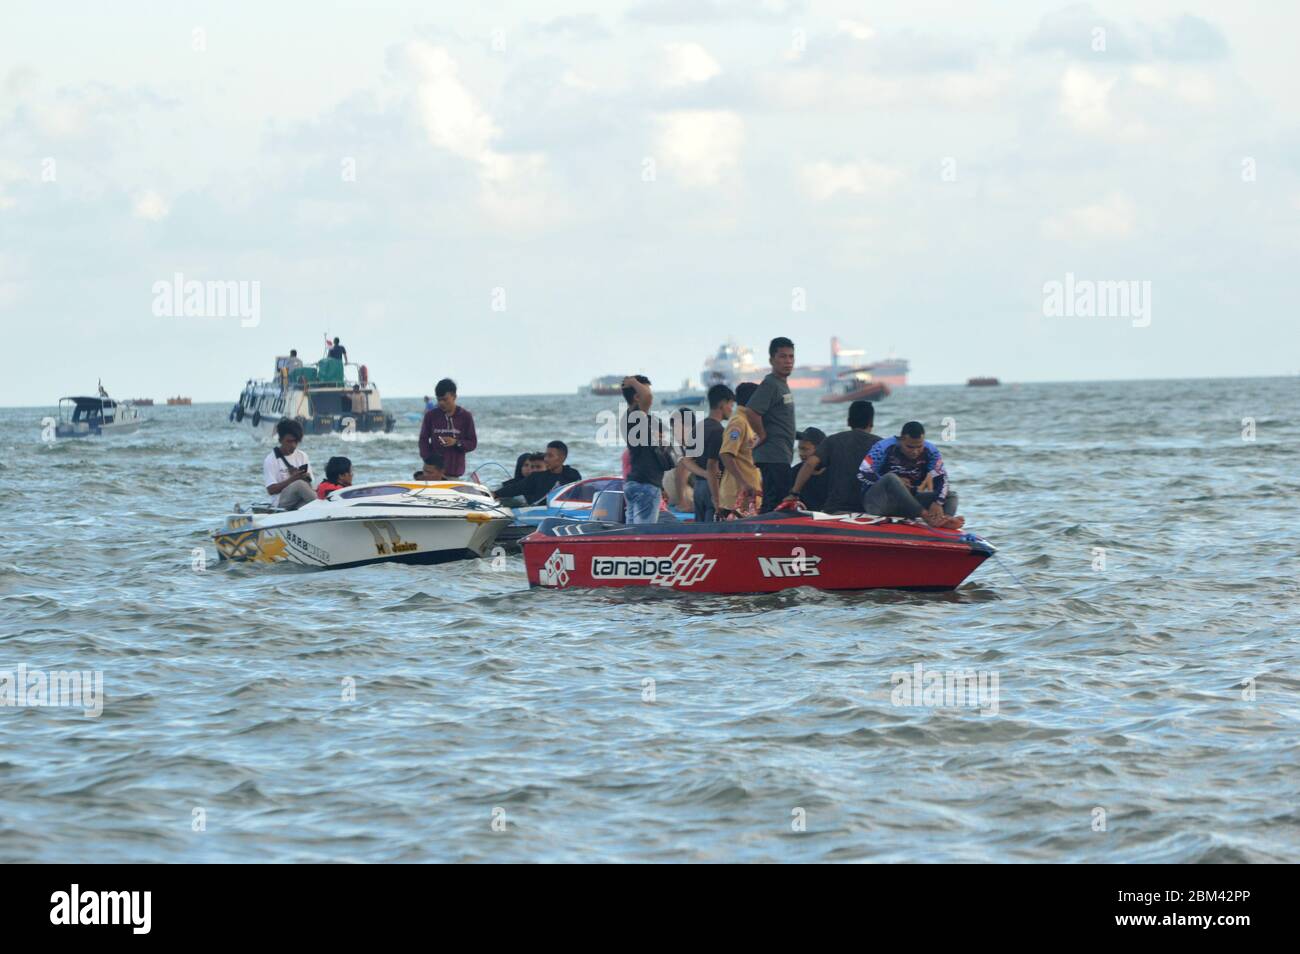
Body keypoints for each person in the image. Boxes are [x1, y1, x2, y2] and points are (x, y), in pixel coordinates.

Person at [858, 421, 964, 529]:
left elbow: (942, 478)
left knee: (951, 495)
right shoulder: (883, 447)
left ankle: (943, 520)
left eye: (919, 447)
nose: (915, 452)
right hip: (879, 502)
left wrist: (938, 502)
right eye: (910, 447)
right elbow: (863, 472)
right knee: (891, 478)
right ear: (901, 439)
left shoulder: (930, 451)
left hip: (909, 504)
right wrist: (897, 481)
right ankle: (927, 517)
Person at [786, 400, 881, 514]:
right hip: (869, 509)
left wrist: (794, 494)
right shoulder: (880, 445)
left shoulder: (833, 440)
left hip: (836, 509)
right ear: (871, 422)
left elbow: (810, 464)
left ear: (848, 421)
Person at [742, 336, 797, 511]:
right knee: (777, 504)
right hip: (773, 455)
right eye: (782, 356)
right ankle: (765, 535)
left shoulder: (782, 385)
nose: (788, 361)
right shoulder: (770, 384)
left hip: (782, 454)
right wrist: (762, 434)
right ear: (772, 360)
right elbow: (751, 411)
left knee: (776, 502)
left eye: (791, 356)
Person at [621, 375, 675, 524]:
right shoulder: (636, 415)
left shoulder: (631, 418)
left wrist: (661, 486)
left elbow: (648, 455)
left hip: (636, 483)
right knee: (643, 534)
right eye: (644, 390)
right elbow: (648, 396)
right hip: (645, 486)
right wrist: (633, 382)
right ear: (637, 397)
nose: (651, 397)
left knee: (632, 534)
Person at [683, 384, 733, 522]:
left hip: (699, 487)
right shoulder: (719, 431)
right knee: (713, 529)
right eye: (731, 404)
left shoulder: (698, 427)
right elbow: (713, 466)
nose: (731, 409)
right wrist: (717, 499)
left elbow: (687, 460)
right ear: (722, 404)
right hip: (713, 487)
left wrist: (703, 473)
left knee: (700, 530)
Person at [717, 382, 762, 519]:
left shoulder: (749, 421)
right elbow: (726, 454)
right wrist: (744, 483)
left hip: (750, 495)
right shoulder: (738, 422)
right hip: (738, 496)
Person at [418, 378, 477, 478]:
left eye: (445, 399)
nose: (441, 403)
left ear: (454, 397)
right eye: (439, 399)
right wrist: (428, 459)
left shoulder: (465, 416)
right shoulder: (430, 416)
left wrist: (456, 442)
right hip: (433, 475)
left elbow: (472, 443)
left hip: (454, 474)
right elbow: (423, 440)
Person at [494, 441, 581, 504]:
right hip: (535, 514)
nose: (546, 459)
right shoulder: (537, 477)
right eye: (546, 455)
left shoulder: (573, 475)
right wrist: (495, 494)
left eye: (550, 456)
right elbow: (516, 488)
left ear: (562, 458)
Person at [263, 419, 315, 510]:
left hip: (299, 500)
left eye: (295, 441)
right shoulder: (271, 459)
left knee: (306, 506)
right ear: (280, 440)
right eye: (289, 441)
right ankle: (325, 507)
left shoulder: (302, 456)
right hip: (280, 503)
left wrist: (306, 477)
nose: (293, 445)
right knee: (299, 484)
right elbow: (271, 490)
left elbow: (311, 484)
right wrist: (292, 479)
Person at [788, 426, 828, 511]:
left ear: (819, 449)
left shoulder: (834, 471)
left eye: (805, 449)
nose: (801, 454)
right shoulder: (794, 472)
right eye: (799, 449)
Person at [666, 407, 696, 514]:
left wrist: (683, 503)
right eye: (672, 427)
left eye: (676, 426)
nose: (673, 431)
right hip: (677, 500)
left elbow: (681, 473)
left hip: (690, 500)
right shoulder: (675, 448)